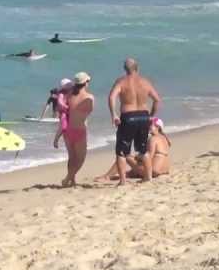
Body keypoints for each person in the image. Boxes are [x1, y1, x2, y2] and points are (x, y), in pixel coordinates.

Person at [105, 57, 162, 185]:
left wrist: (114, 114)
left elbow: (111, 97)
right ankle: (148, 177)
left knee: (121, 151)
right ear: (138, 68)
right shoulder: (145, 82)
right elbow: (157, 100)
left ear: (125, 69)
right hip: (143, 116)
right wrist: (151, 115)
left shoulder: (121, 81)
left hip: (128, 117)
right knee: (143, 151)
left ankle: (123, 181)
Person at [61, 73, 94, 187]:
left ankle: (72, 180)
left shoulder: (69, 95)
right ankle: (67, 179)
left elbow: (64, 107)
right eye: (88, 81)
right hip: (80, 130)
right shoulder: (89, 97)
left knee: (72, 158)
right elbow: (89, 111)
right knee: (80, 159)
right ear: (85, 83)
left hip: (68, 130)